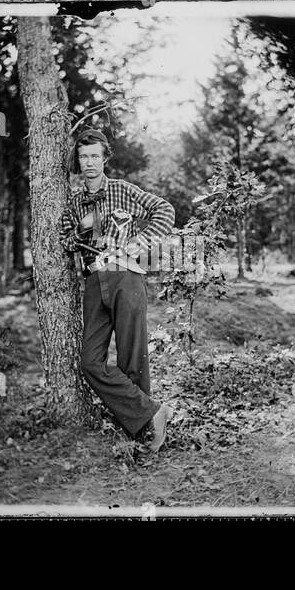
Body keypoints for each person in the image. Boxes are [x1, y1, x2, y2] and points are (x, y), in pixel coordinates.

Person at [59, 129, 177, 452]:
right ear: (78, 161)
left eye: (95, 156)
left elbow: (165, 210)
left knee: (132, 356)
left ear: (105, 158)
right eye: (84, 157)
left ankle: (142, 436)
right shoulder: (73, 203)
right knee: (89, 362)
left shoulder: (123, 191)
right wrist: (82, 228)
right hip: (95, 281)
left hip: (126, 274)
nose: (90, 163)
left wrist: (140, 242)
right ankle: (154, 412)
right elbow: (65, 240)